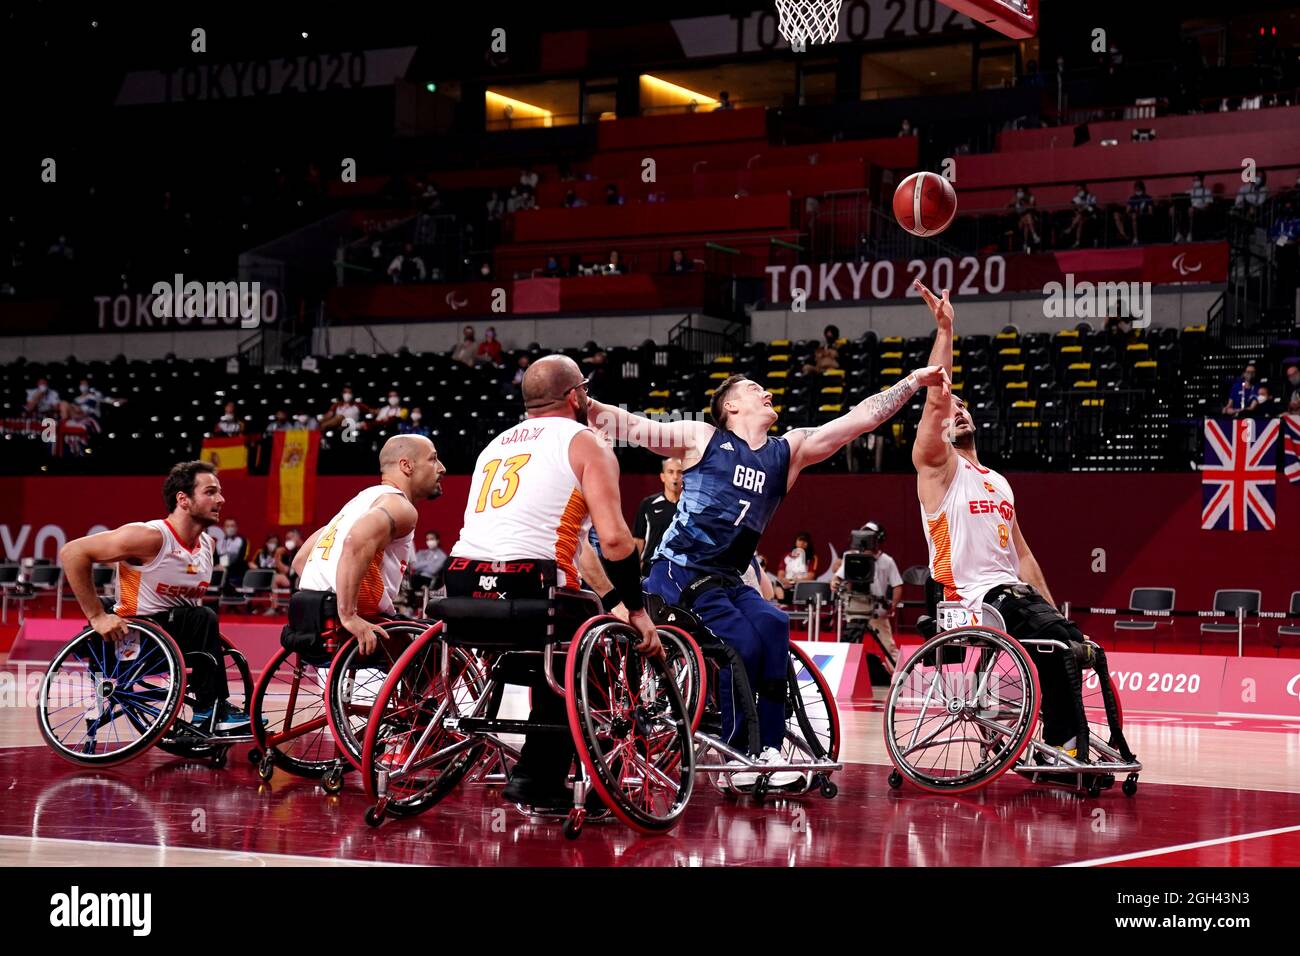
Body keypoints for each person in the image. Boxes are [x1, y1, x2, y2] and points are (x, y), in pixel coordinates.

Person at [587, 354, 948, 788]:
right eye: (755, 389)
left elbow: (859, 420)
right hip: (677, 574)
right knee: (739, 642)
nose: (767, 392)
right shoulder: (704, 438)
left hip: (724, 579)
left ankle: (769, 749)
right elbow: (635, 427)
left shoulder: (787, 452)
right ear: (732, 407)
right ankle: (736, 756)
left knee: (774, 625)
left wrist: (912, 381)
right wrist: (586, 405)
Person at [450, 355, 662, 809]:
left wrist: (608, 594)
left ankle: (536, 764)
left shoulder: (493, 445)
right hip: (533, 586)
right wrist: (637, 610)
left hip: (462, 586)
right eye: (585, 388)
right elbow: (616, 541)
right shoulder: (586, 442)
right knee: (604, 647)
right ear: (574, 396)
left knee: (562, 637)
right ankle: (557, 774)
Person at [912, 278, 1094, 757]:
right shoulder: (937, 470)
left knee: (1075, 643)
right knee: (1054, 640)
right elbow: (936, 397)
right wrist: (946, 332)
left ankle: (1071, 739)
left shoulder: (998, 480)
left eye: (964, 409)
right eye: (952, 413)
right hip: (966, 596)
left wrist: (1055, 610)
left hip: (1009, 594)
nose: (958, 413)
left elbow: (1024, 555)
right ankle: (1064, 742)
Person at [57, 461, 253, 733]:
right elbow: (72, 552)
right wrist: (97, 616)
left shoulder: (208, 545)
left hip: (177, 644)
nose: (221, 499)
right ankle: (210, 708)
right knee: (201, 616)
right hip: (135, 641)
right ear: (183, 499)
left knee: (200, 618)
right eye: (210, 492)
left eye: (219, 492)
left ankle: (213, 708)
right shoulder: (150, 537)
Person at [295, 435, 445, 661]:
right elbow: (354, 542)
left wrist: (331, 593)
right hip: (351, 624)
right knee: (444, 652)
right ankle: (410, 698)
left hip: (311, 617)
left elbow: (301, 560)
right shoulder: (399, 506)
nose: (442, 468)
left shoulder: (359, 502)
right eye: (433, 459)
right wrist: (348, 615)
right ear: (406, 466)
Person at [829, 520, 903, 667]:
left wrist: (892, 605)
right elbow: (837, 577)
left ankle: (898, 678)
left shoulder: (887, 561)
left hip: (877, 610)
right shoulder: (851, 558)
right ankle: (843, 674)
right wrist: (834, 582)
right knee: (849, 647)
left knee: (889, 647)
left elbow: (897, 585)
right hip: (856, 607)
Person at [634, 457, 684, 575]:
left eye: (680, 472)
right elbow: (638, 540)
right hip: (650, 568)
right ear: (662, 477)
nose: (675, 477)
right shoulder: (648, 504)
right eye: (670, 472)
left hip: (680, 568)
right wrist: (634, 569)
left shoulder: (690, 506)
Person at [213, 517, 249, 587]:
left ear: (236, 528)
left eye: (232, 526)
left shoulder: (241, 541)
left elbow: (241, 559)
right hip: (221, 571)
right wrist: (218, 566)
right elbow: (216, 558)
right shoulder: (219, 542)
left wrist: (227, 568)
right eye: (227, 526)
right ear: (223, 528)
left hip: (236, 573)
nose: (230, 528)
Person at [410, 530, 448, 596]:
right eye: (427, 539)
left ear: (437, 540)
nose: (429, 541)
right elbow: (413, 565)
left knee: (415, 580)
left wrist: (420, 564)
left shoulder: (442, 555)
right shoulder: (422, 552)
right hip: (416, 577)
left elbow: (433, 570)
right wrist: (428, 563)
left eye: (432, 539)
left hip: (429, 579)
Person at [1115, 180, 1153, 245]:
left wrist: (1141, 213)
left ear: (1142, 189)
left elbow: (1150, 212)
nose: (1137, 191)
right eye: (1136, 189)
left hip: (1142, 215)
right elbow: (1127, 210)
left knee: (1134, 216)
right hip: (1132, 214)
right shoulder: (1132, 198)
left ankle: (1135, 238)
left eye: (1139, 189)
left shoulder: (1148, 198)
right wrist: (1127, 213)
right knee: (1116, 215)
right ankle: (1124, 235)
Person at [1065, 183, 1098, 248]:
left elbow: (1092, 210)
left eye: (1081, 189)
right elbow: (1073, 207)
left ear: (1084, 189)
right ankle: (1077, 242)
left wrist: (1084, 206)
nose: (1080, 191)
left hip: (1090, 216)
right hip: (1081, 217)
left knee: (1080, 215)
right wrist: (1077, 210)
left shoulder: (1091, 197)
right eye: (1078, 190)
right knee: (1080, 220)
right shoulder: (1076, 198)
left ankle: (1071, 228)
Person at [1008, 186, 1040, 252]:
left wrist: (1022, 202)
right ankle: (1034, 235)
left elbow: (1031, 206)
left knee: (1027, 222)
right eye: (1018, 191)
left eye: (1021, 191)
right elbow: (1008, 205)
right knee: (1026, 221)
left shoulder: (1028, 197)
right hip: (1020, 218)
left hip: (1029, 217)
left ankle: (1026, 244)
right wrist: (1015, 201)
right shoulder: (1015, 198)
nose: (1019, 192)